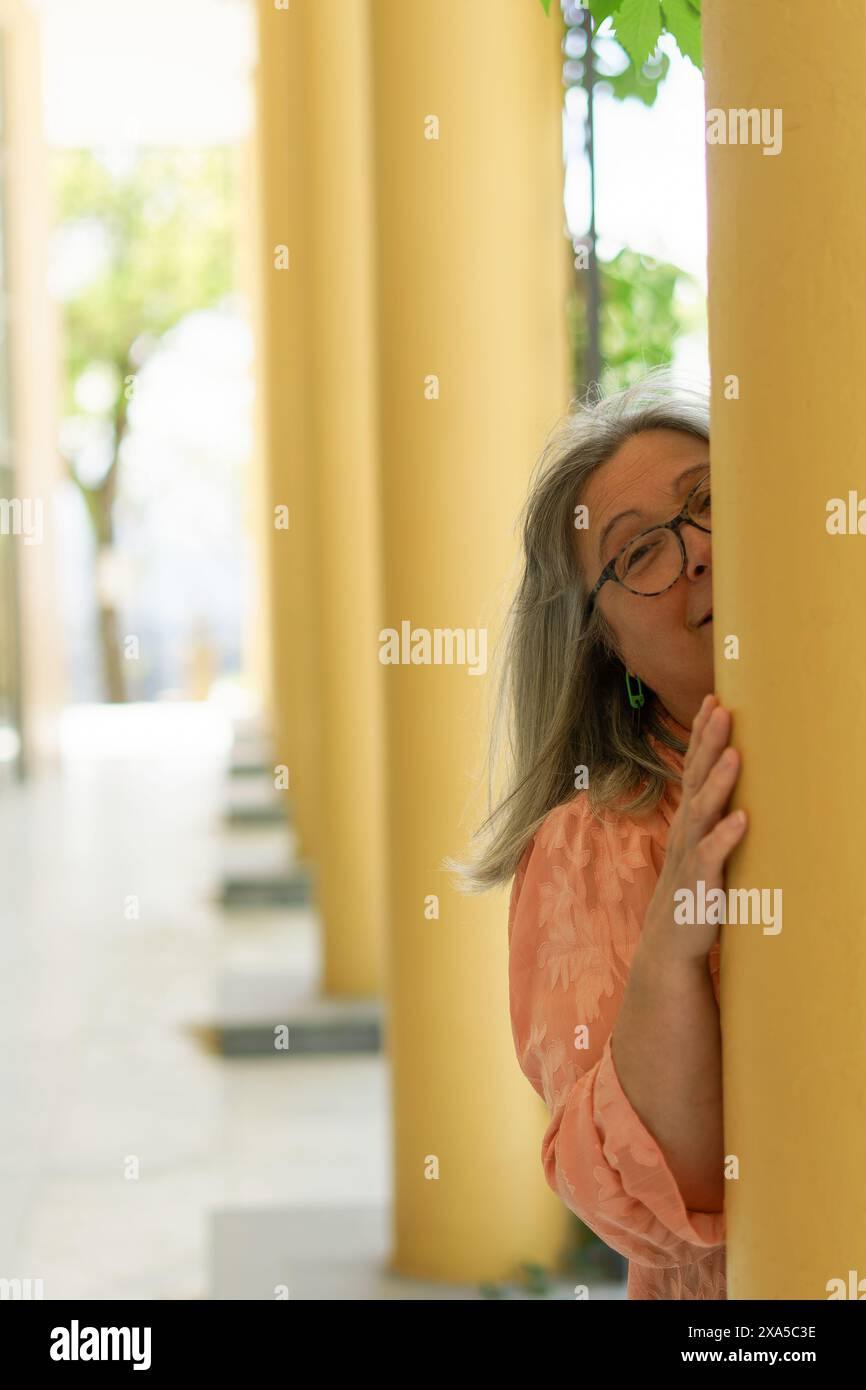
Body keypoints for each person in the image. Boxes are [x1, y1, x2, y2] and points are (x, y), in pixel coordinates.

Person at [453, 367, 746, 1300]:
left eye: (708, 502)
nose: (697, 552)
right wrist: (673, 939)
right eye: (639, 554)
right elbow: (677, 1194)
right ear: (602, 644)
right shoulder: (595, 844)